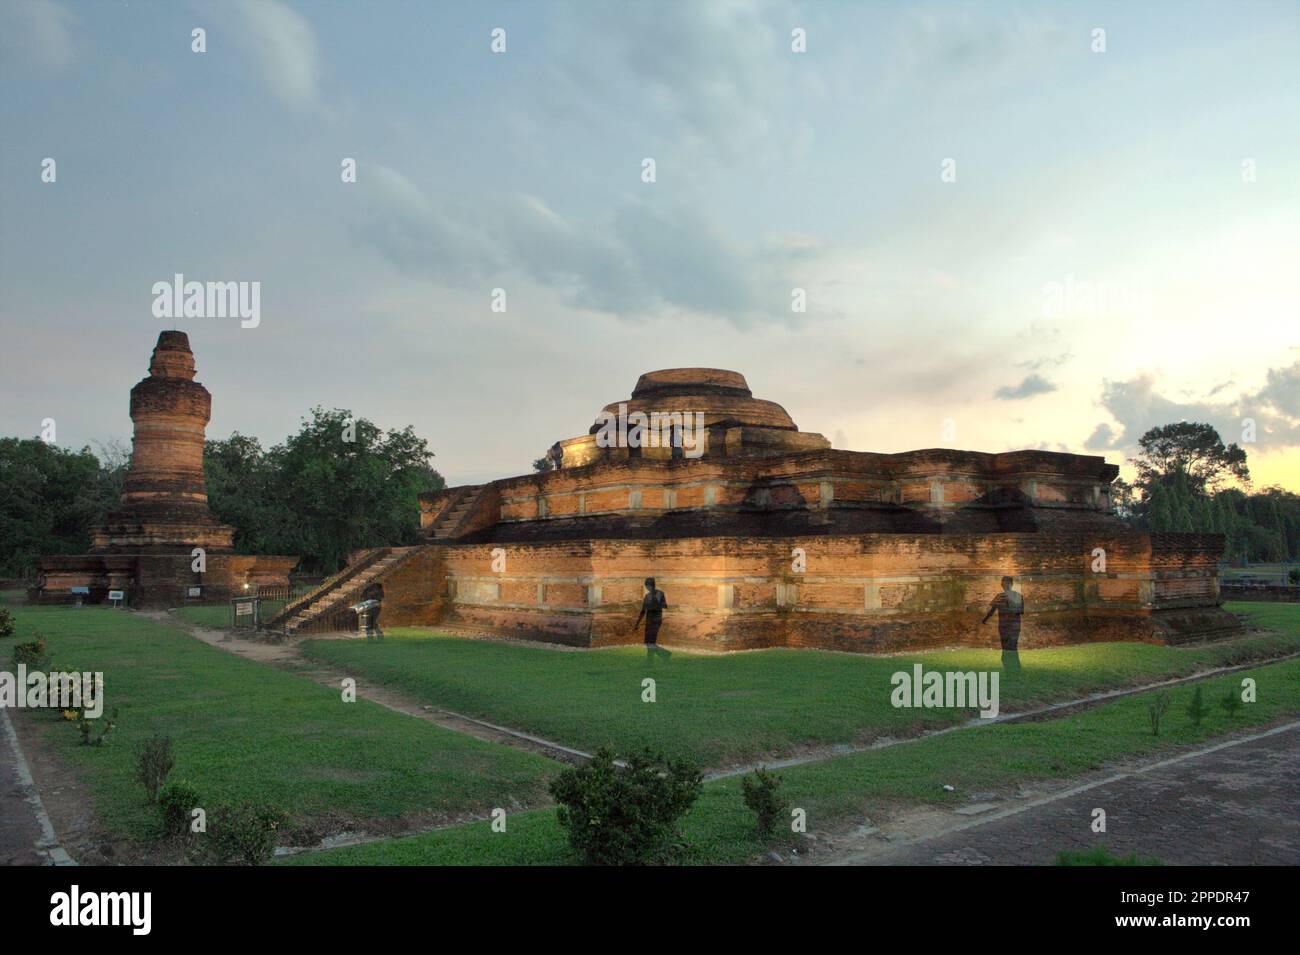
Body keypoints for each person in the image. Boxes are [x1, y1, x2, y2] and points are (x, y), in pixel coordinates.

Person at [982, 575, 1023, 674]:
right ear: (1012, 584)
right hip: (1015, 626)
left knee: (1006, 648)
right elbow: (1021, 611)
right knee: (1013, 647)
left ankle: (1010, 669)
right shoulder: (1018, 596)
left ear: (1004, 584)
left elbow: (991, 611)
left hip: (1005, 626)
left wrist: (985, 619)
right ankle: (1015, 669)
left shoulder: (1000, 596)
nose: (1002, 584)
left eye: (1003, 583)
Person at [633, 577, 670, 659]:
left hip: (656, 620)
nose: (648, 587)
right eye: (647, 586)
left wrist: (657, 602)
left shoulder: (660, 593)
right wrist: (637, 623)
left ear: (652, 585)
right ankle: (664, 655)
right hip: (649, 621)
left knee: (651, 642)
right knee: (648, 642)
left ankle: (650, 661)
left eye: (648, 585)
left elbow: (665, 606)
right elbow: (643, 611)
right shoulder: (647, 596)